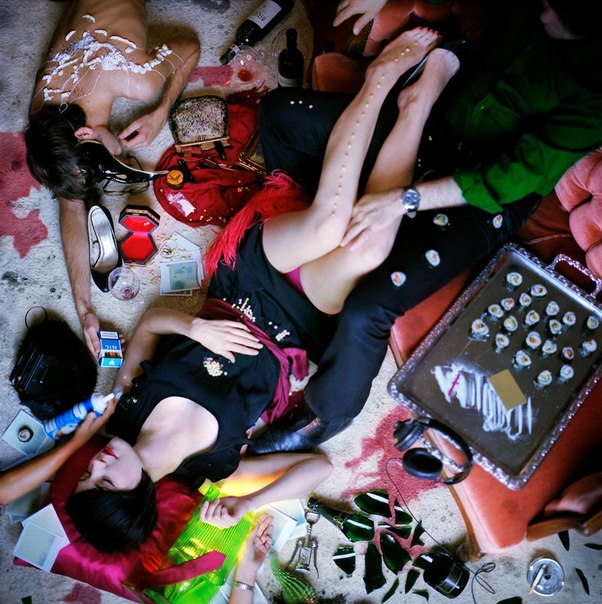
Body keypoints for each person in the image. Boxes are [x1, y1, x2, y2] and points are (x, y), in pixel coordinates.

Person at [64, 27, 459, 551]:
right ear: (136, 498)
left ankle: (382, 79)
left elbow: (153, 318)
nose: (97, 465)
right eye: (104, 482)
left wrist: (196, 328)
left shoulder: (126, 408)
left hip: (243, 284)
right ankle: (418, 101)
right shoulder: (212, 471)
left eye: (86, 474)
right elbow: (318, 467)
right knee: (367, 247)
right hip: (297, 324)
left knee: (329, 225)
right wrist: (248, 504)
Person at [251, 0, 602, 454]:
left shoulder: (596, 95)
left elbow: (506, 180)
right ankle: (305, 221)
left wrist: (402, 200)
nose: (541, 11)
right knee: (280, 113)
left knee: (369, 308)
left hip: (482, 194)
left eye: (555, 11)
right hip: (434, 123)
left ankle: (329, 413)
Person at [25, 0, 200, 358]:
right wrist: (84, 309)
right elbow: (71, 206)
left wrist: (160, 113)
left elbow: (191, 46)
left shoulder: (137, 79)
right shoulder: (42, 116)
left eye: (102, 161)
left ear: (85, 134)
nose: (116, 156)